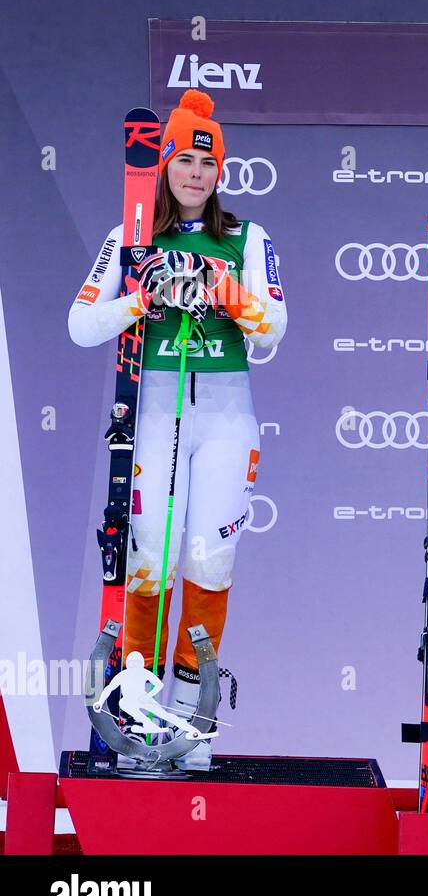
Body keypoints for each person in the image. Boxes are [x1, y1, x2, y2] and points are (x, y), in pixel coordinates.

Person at [69, 90, 286, 769]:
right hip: (155, 411)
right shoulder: (128, 238)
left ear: (219, 173)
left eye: (206, 163)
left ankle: (195, 713)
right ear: (161, 165)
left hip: (225, 414)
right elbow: (81, 326)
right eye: (184, 160)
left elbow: (273, 329)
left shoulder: (249, 238)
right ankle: (138, 709)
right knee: (150, 563)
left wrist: (218, 289)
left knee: (209, 563)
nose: (195, 173)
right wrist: (145, 295)